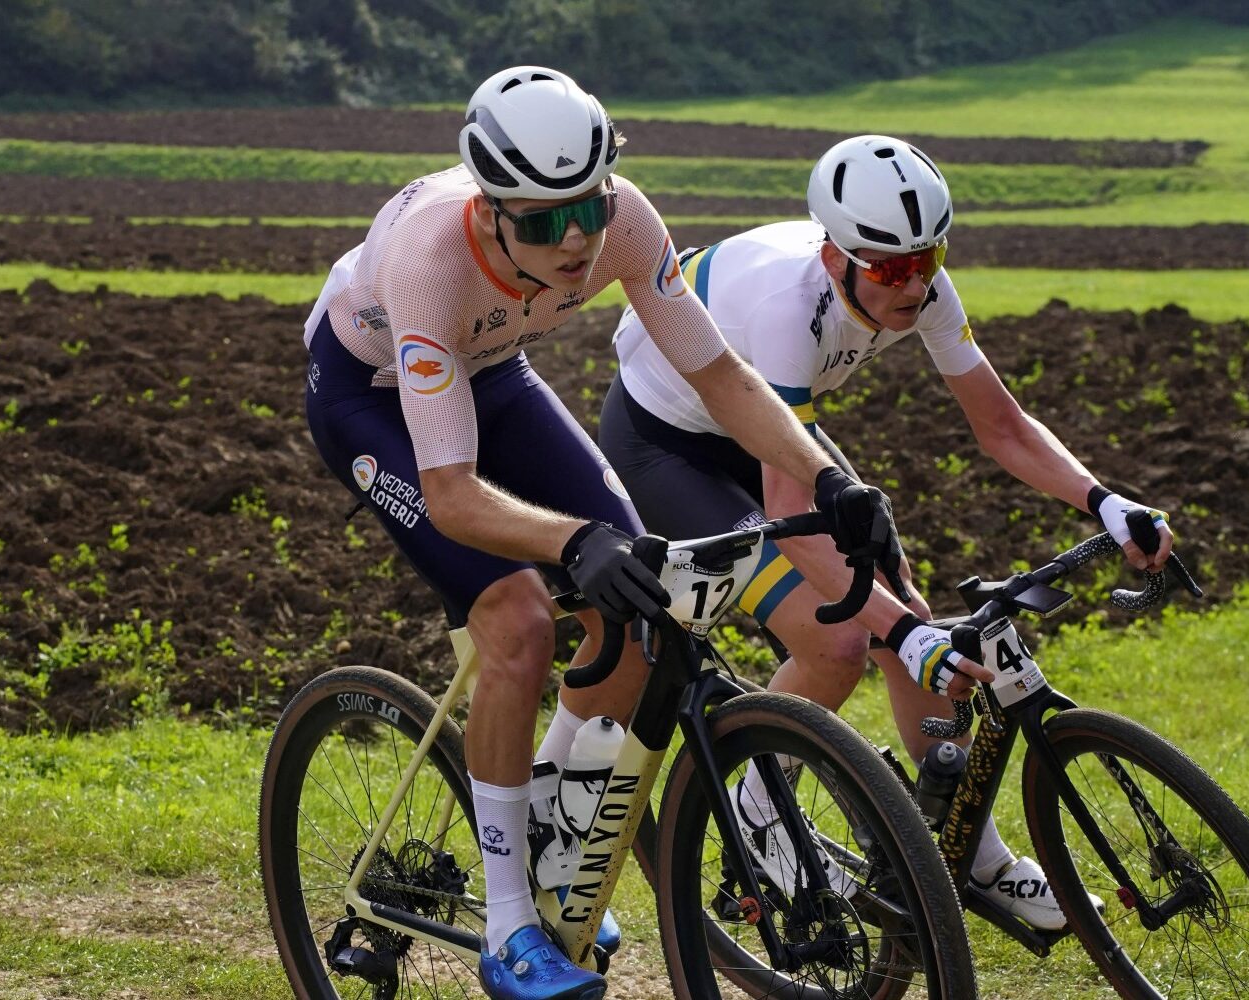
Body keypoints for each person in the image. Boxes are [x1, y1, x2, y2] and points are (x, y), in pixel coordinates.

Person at [302, 71, 989, 999]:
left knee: (642, 602)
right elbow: (455, 494)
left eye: (587, 204)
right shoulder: (430, 262)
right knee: (519, 622)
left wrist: (830, 479)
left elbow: (720, 375)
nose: (578, 239)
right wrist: (573, 542)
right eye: (546, 223)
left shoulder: (625, 221)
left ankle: (546, 822)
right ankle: (510, 929)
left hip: (495, 370)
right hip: (371, 394)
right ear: (493, 208)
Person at [598, 133, 1176, 930]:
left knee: (907, 605)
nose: (914, 284)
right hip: (666, 444)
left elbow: (1002, 426)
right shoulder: (786, 310)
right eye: (892, 270)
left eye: (929, 259)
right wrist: (900, 634)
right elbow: (792, 526)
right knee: (838, 642)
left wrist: (1106, 503)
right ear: (836, 259)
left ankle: (976, 855)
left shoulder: (925, 289)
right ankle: (749, 819)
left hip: (768, 428)